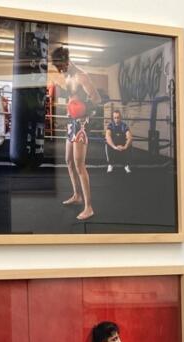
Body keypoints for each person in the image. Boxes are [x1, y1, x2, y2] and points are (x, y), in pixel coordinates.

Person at [51, 45, 98, 221]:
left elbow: (97, 100)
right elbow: (72, 98)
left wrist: (83, 111)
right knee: (68, 161)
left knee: (79, 165)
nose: (60, 70)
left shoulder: (82, 76)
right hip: (71, 123)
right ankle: (77, 195)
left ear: (67, 60)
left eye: (61, 66)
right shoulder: (68, 77)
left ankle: (89, 207)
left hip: (81, 124)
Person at [104, 108, 132, 174]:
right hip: (114, 145)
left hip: (122, 145)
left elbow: (129, 137)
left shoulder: (124, 125)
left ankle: (126, 165)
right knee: (107, 142)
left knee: (130, 143)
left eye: (118, 117)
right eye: (115, 118)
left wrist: (125, 146)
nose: (116, 119)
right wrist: (114, 147)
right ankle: (110, 164)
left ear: (121, 118)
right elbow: (107, 136)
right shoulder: (111, 125)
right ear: (113, 118)